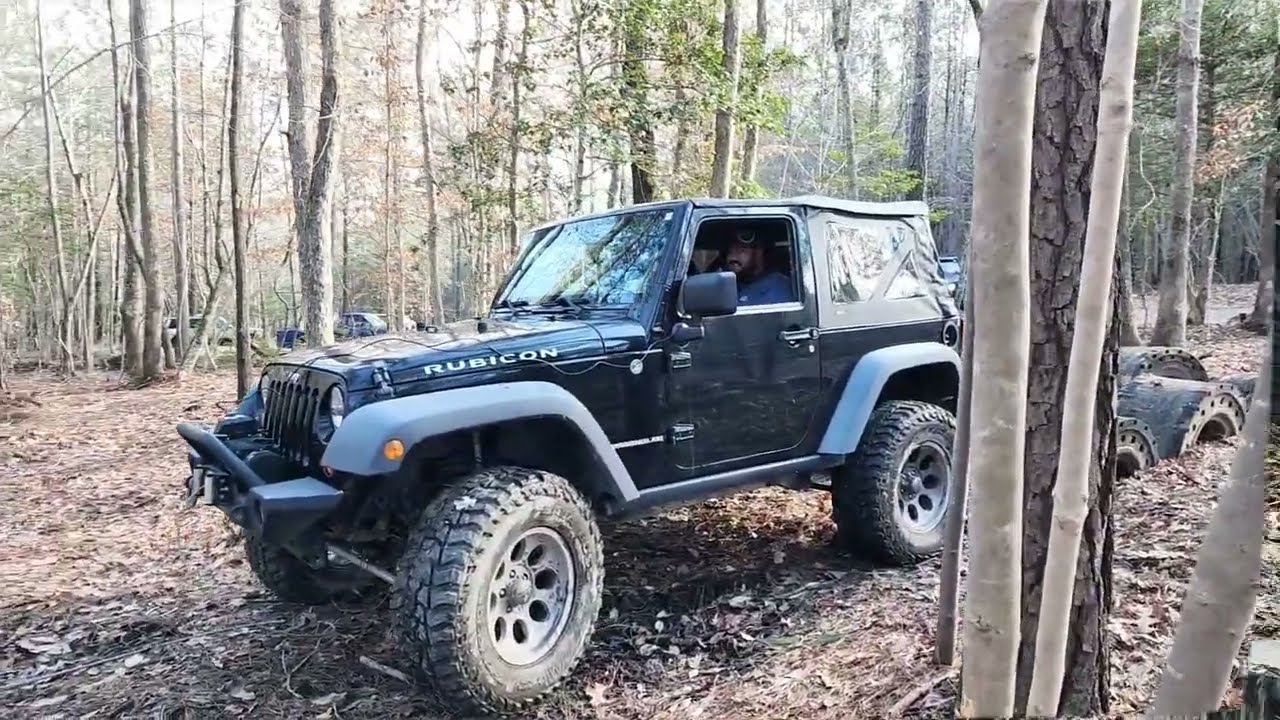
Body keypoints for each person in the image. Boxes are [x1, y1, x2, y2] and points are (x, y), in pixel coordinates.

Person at [724, 229, 793, 305]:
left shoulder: (777, 288)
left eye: (741, 250)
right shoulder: (729, 283)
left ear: (759, 253)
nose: (732, 257)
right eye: (730, 251)